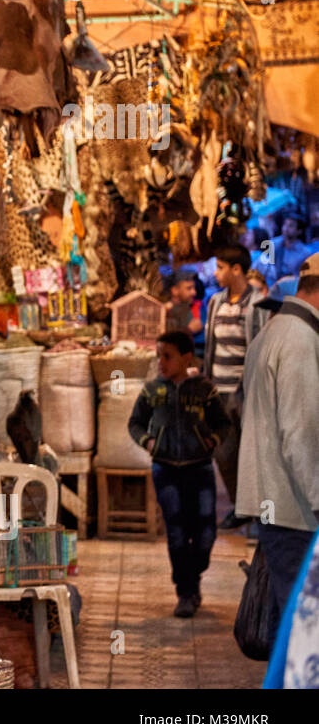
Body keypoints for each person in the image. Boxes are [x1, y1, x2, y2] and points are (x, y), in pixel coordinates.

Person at [236, 252, 319, 646]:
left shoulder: (271, 334)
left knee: (295, 623)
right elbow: (301, 433)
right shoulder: (301, 341)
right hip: (297, 509)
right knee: (304, 630)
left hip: (278, 503)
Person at [128, 330, 233, 618]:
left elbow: (223, 424)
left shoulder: (204, 390)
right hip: (165, 470)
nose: (161, 362)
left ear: (186, 357)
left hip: (199, 470)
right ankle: (185, 592)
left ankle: (193, 575)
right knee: (176, 534)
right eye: (159, 356)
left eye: (168, 356)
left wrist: (212, 441)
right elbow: (135, 423)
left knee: (206, 534)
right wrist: (148, 441)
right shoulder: (152, 391)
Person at [203, 244, 271, 530]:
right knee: (224, 454)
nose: (216, 273)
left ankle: (257, 514)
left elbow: (261, 349)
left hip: (246, 394)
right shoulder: (215, 302)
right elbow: (210, 347)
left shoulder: (258, 304)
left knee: (251, 454)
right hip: (218, 392)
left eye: (220, 267)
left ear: (236, 270)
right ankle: (239, 506)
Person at [258, 213, 312, 283]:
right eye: (285, 224)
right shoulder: (274, 244)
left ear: (299, 231)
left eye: (291, 226)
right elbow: (263, 264)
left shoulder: (305, 253)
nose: (286, 228)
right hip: (272, 286)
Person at [164, 269, 203, 338]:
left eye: (194, 288)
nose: (194, 292)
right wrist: (188, 330)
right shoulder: (165, 312)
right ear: (175, 290)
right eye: (189, 288)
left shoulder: (197, 307)